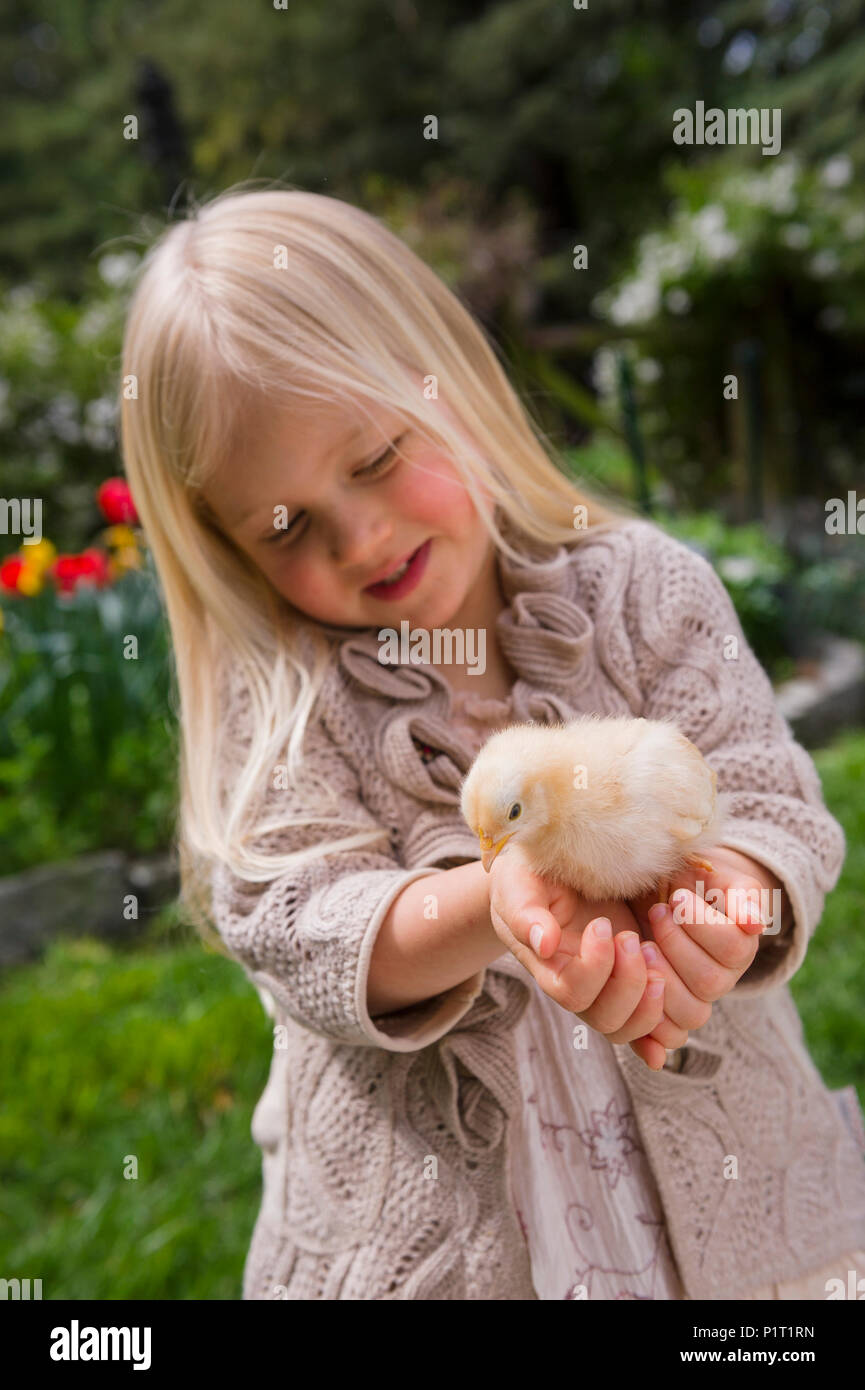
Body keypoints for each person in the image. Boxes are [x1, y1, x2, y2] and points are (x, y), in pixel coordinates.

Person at [119, 182, 865, 1300]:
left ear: (448, 382)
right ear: (223, 545)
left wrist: (732, 898)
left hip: (737, 1219)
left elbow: (768, 794)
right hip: (449, 1260)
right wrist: (495, 908)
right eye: (283, 525)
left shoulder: (642, 593)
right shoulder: (279, 705)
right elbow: (297, 918)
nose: (360, 535)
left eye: (374, 457)